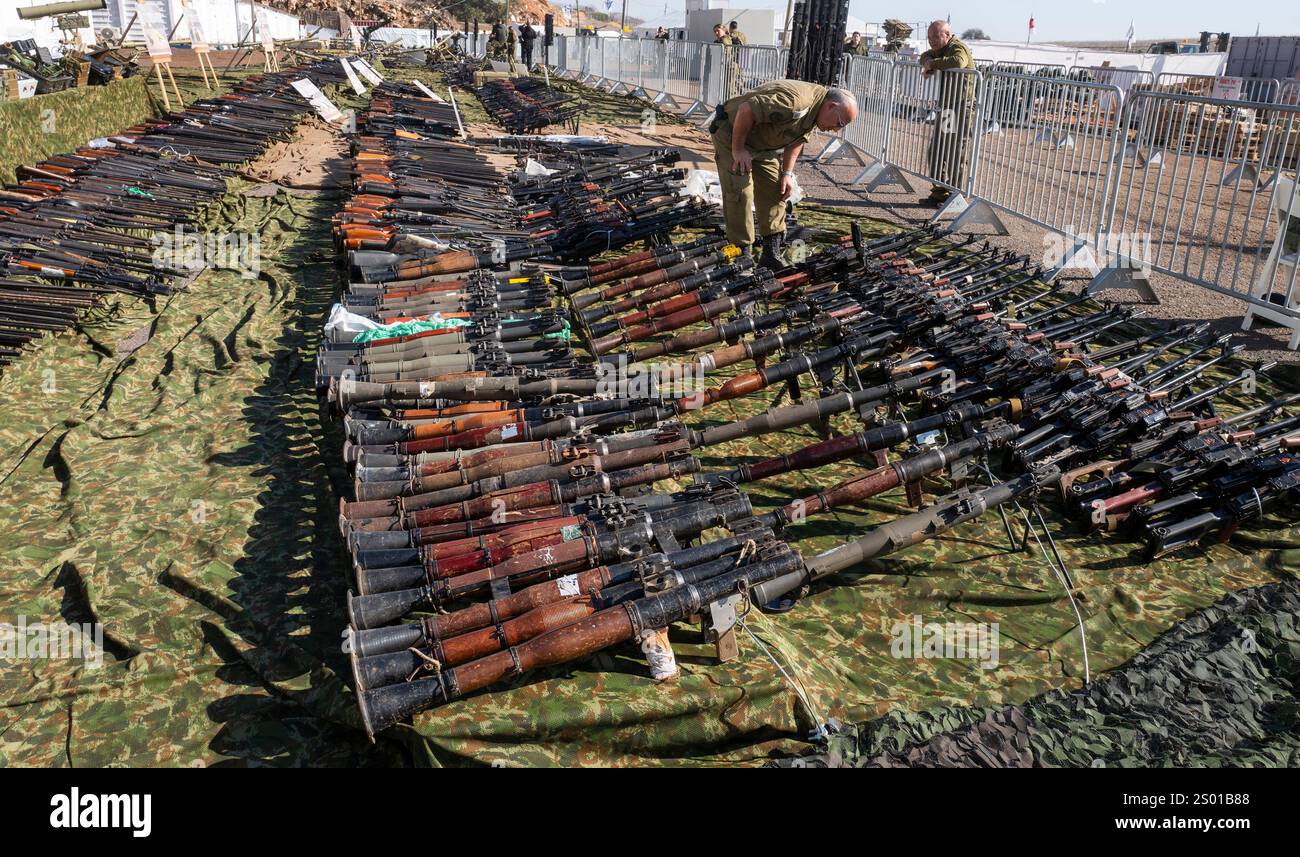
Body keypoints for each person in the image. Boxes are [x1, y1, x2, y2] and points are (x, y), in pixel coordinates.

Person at [710, 80, 859, 266]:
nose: (836, 130)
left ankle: (771, 253)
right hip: (733, 133)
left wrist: (787, 173)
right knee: (741, 192)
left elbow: (797, 140)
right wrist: (738, 149)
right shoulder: (796, 102)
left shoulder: (817, 110)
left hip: (763, 144)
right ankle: (742, 254)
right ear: (831, 106)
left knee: (776, 190)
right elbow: (746, 110)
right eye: (839, 123)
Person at [917, 20, 975, 206]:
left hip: (962, 106)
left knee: (956, 151)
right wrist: (928, 62)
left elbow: (958, 61)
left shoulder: (958, 47)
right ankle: (939, 191)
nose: (931, 40)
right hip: (948, 106)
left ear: (947, 34)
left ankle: (955, 194)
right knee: (937, 149)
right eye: (929, 37)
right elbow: (924, 56)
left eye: (935, 36)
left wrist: (932, 64)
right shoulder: (940, 50)